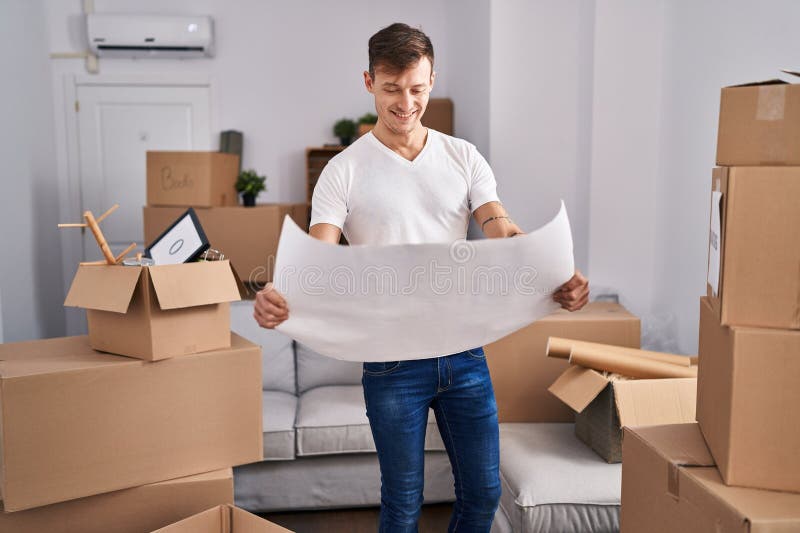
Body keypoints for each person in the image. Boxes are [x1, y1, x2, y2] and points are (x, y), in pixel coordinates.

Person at [254, 22, 589, 533]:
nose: (405, 103)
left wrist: (553, 275)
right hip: (391, 365)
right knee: (404, 505)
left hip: (464, 354)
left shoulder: (463, 156)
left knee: (483, 493)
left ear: (432, 80)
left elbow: (500, 226)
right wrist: (281, 295)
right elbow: (316, 259)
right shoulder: (343, 170)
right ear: (369, 82)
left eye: (416, 88)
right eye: (391, 89)